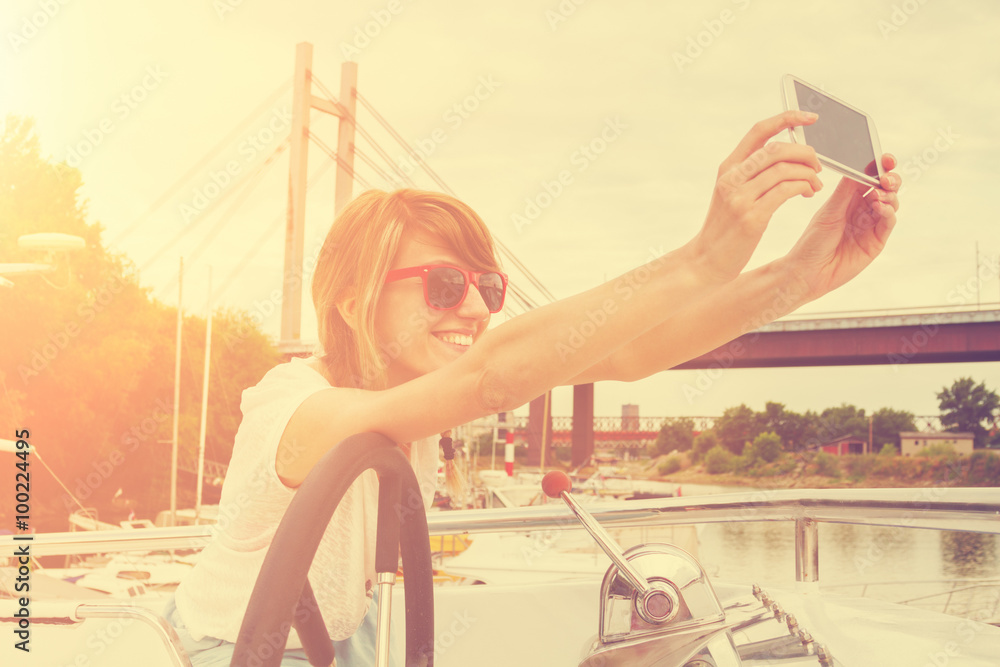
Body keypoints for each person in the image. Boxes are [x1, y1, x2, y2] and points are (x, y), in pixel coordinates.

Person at [166, 110, 901, 665]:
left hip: (340, 639)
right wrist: (706, 254)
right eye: (445, 285)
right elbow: (494, 377)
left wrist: (794, 278)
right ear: (355, 302)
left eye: (487, 285)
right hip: (234, 647)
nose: (479, 309)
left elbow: (632, 349)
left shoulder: (416, 397)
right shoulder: (292, 409)